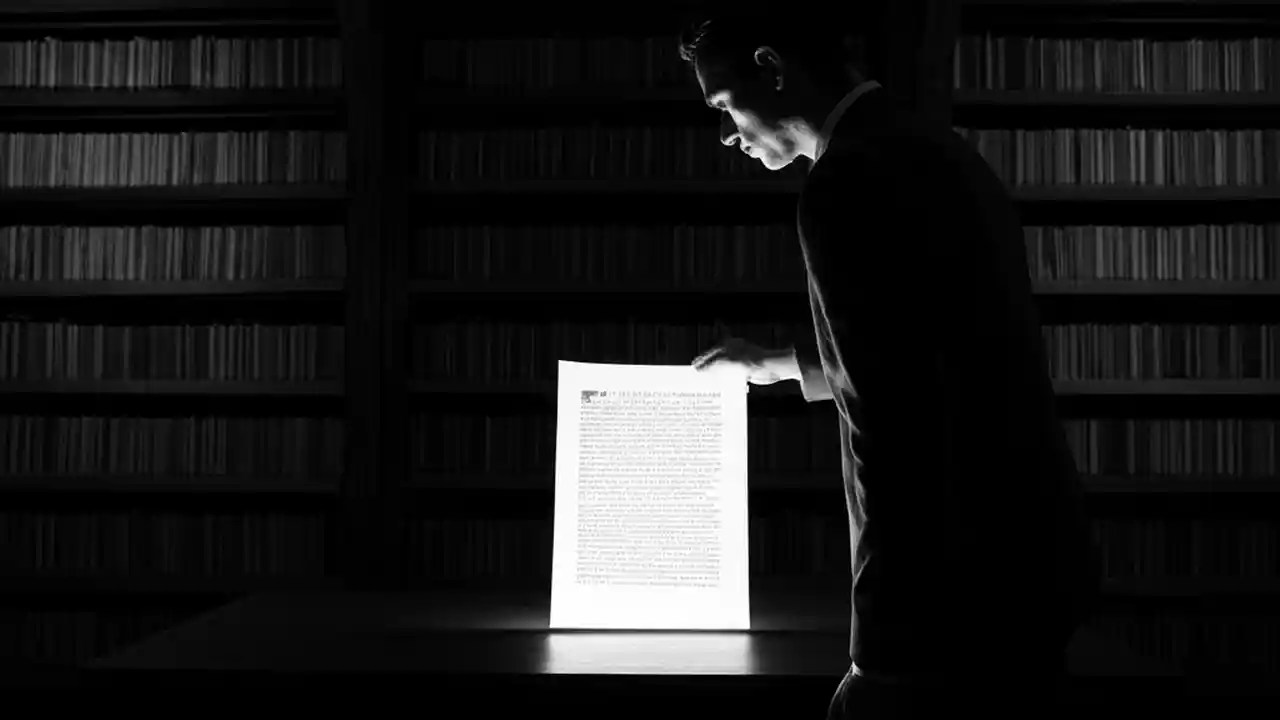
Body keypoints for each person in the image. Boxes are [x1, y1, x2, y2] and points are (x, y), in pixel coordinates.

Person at [678, 6, 1100, 717]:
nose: (726, 134)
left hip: (948, 601)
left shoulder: (843, 181)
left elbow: (893, 421)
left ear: (773, 69)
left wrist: (880, 650)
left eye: (724, 104)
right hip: (1028, 563)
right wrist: (783, 365)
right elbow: (943, 344)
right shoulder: (932, 148)